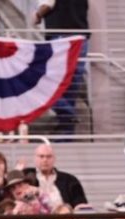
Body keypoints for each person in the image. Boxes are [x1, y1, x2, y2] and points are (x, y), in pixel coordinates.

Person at [33, 0, 89, 138]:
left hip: (61, 35)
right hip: (81, 37)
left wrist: (37, 15)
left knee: (46, 81)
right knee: (70, 87)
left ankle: (69, 114)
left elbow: (47, 4)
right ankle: (66, 134)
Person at [31, 144, 88, 208]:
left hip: (65, 216)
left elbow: (81, 204)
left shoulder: (70, 180)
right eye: (41, 156)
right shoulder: (28, 179)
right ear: (35, 159)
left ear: (54, 159)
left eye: (49, 157)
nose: (45, 160)